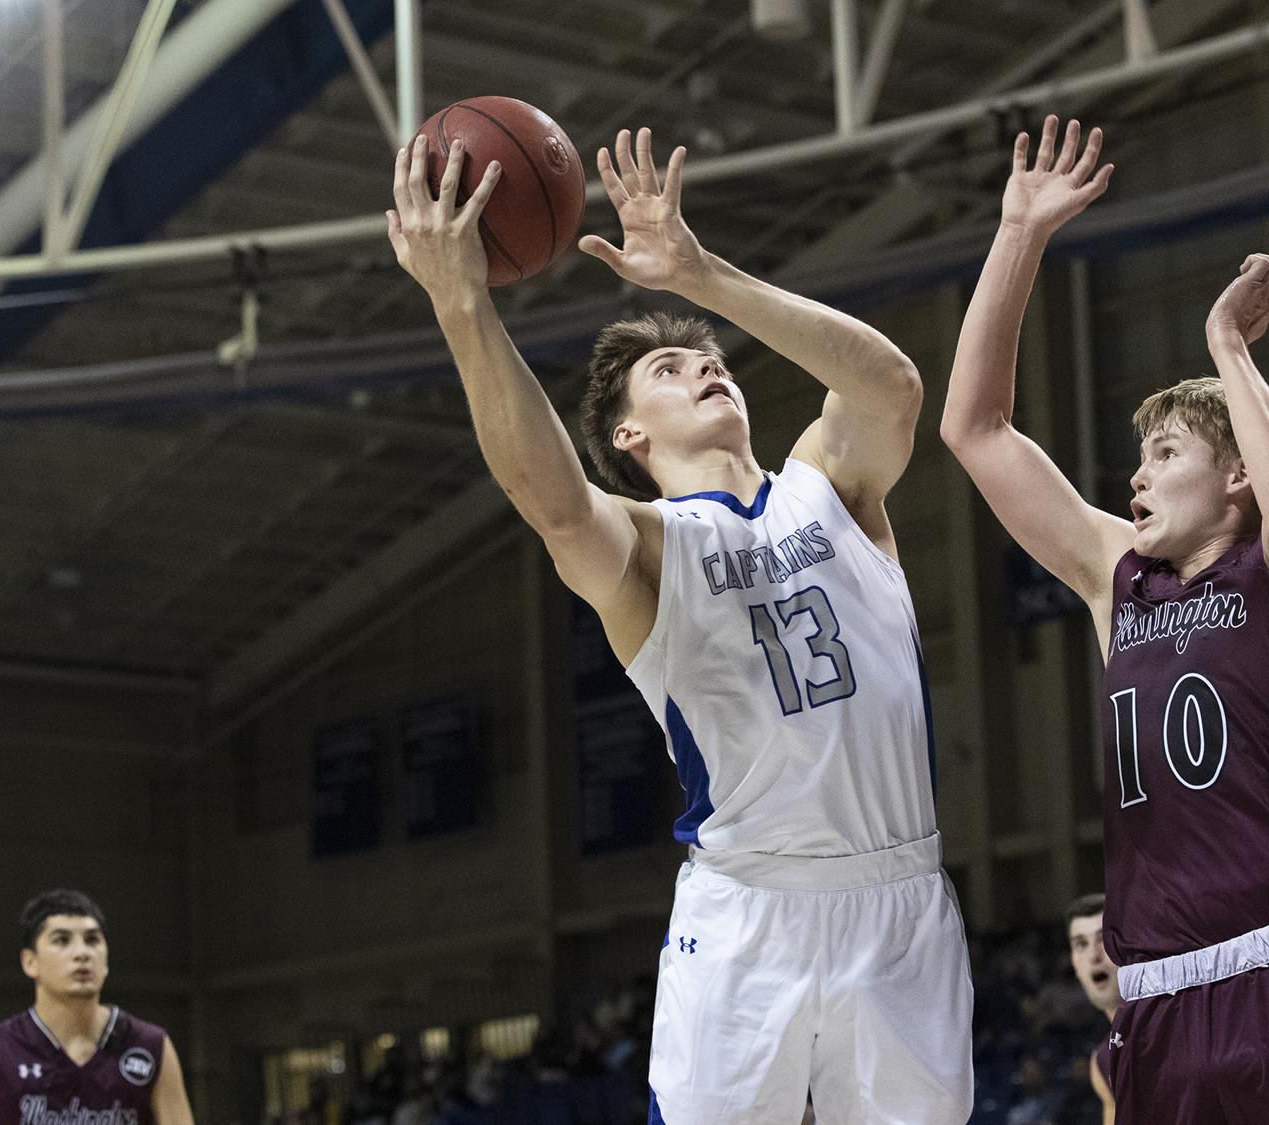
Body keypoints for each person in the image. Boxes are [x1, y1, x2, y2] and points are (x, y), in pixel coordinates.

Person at [387, 127, 970, 1123]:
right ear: (627, 434)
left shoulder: (830, 487)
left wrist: (703, 278)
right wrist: (460, 300)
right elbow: (550, 499)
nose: (706, 369)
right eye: (667, 369)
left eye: (710, 363)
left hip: (900, 904)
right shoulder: (646, 548)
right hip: (748, 917)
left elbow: (893, 386)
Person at [938, 114, 1269, 1123]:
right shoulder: (1117, 582)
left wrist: (1226, 345)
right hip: (1156, 1005)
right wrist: (1018, 233)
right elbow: (972, 430)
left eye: (1164, 454)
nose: (1134, 474)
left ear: (1234, 473)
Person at [0, 890, 195, 1125]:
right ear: (30, 962)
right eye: (62, 940)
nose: (82, 953)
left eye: (92, 940)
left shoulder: (151, 1045)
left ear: (106, 959)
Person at [1065, 894, 1119, 1125]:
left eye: (1104, 939)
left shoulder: (1179, 1024)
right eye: (1081, 944)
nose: (1094, 955)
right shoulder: (1102, 1062)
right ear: (1075, 965)